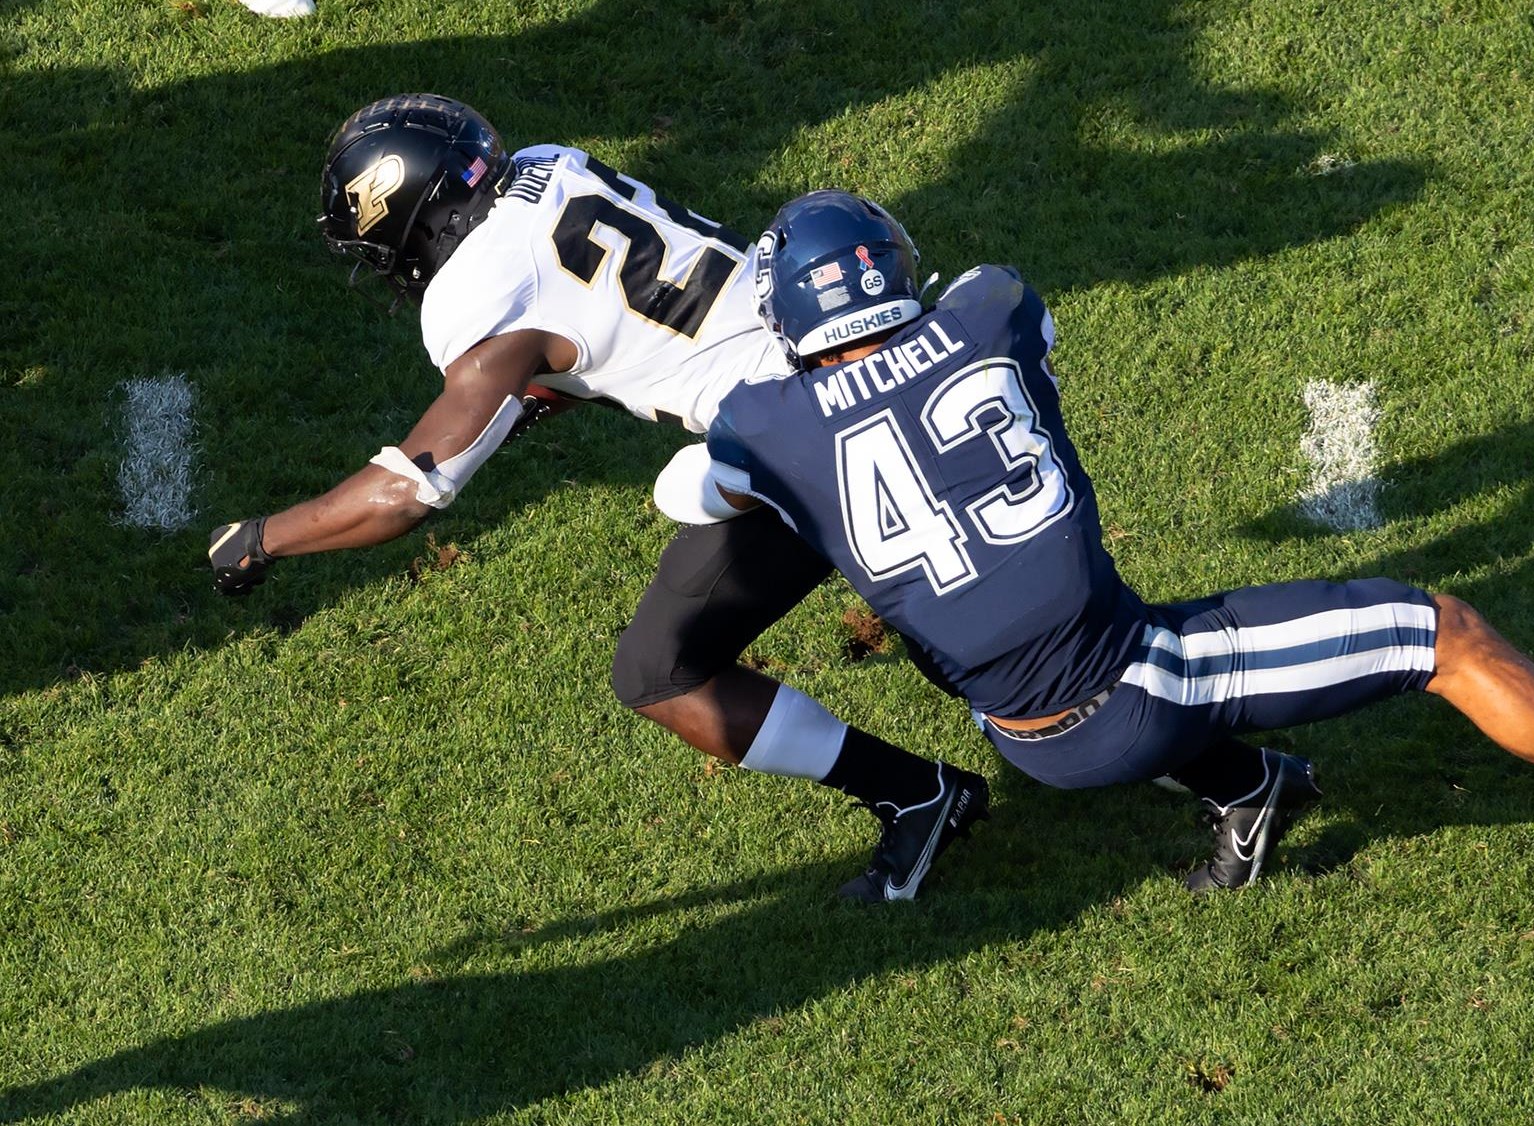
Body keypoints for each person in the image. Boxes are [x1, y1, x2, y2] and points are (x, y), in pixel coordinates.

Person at [695, 189, 1534, 895]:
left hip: (1015, 735)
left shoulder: (762, 426)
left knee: (1120, 625)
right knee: (1447, 634)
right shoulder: (988, 307)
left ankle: (1249, 794)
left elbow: (687, 494)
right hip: (1134, 687)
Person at [206, 95, 988, 903]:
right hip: (858, 354)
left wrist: (262, 538)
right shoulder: (550, 165)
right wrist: (522, 398)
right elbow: (607, 322)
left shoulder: (478, 294)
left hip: (802, 435)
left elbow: (407, 492)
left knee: (661, 672)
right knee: (954, 607)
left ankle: (920, 790)